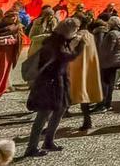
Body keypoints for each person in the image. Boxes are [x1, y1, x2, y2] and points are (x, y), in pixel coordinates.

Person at [26, 18, 80, 156]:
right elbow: (62, 58)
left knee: (60, 111)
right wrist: (75, 46)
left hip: (61, 82)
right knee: (43, 115)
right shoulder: (53, 43)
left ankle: (48, 141)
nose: (77, 32)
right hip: (50, 83)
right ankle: (31, 148)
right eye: (75, 29)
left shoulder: (62, 42)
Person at [67, 20, 103, 134]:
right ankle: (87, 121)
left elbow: (69, 50)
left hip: (76, 69)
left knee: (72, 95)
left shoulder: (78, 37)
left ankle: (87, 121)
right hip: (87, 70)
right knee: (84, 96)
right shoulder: (90, 36)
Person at [97, 15, 120, 110]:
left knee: (105, 83)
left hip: (108, 62)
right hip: (116, 61)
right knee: (111, 83)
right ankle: (107, 103)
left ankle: (104, 103)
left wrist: (100, 58)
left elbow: (107, 49)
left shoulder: (111, 34)